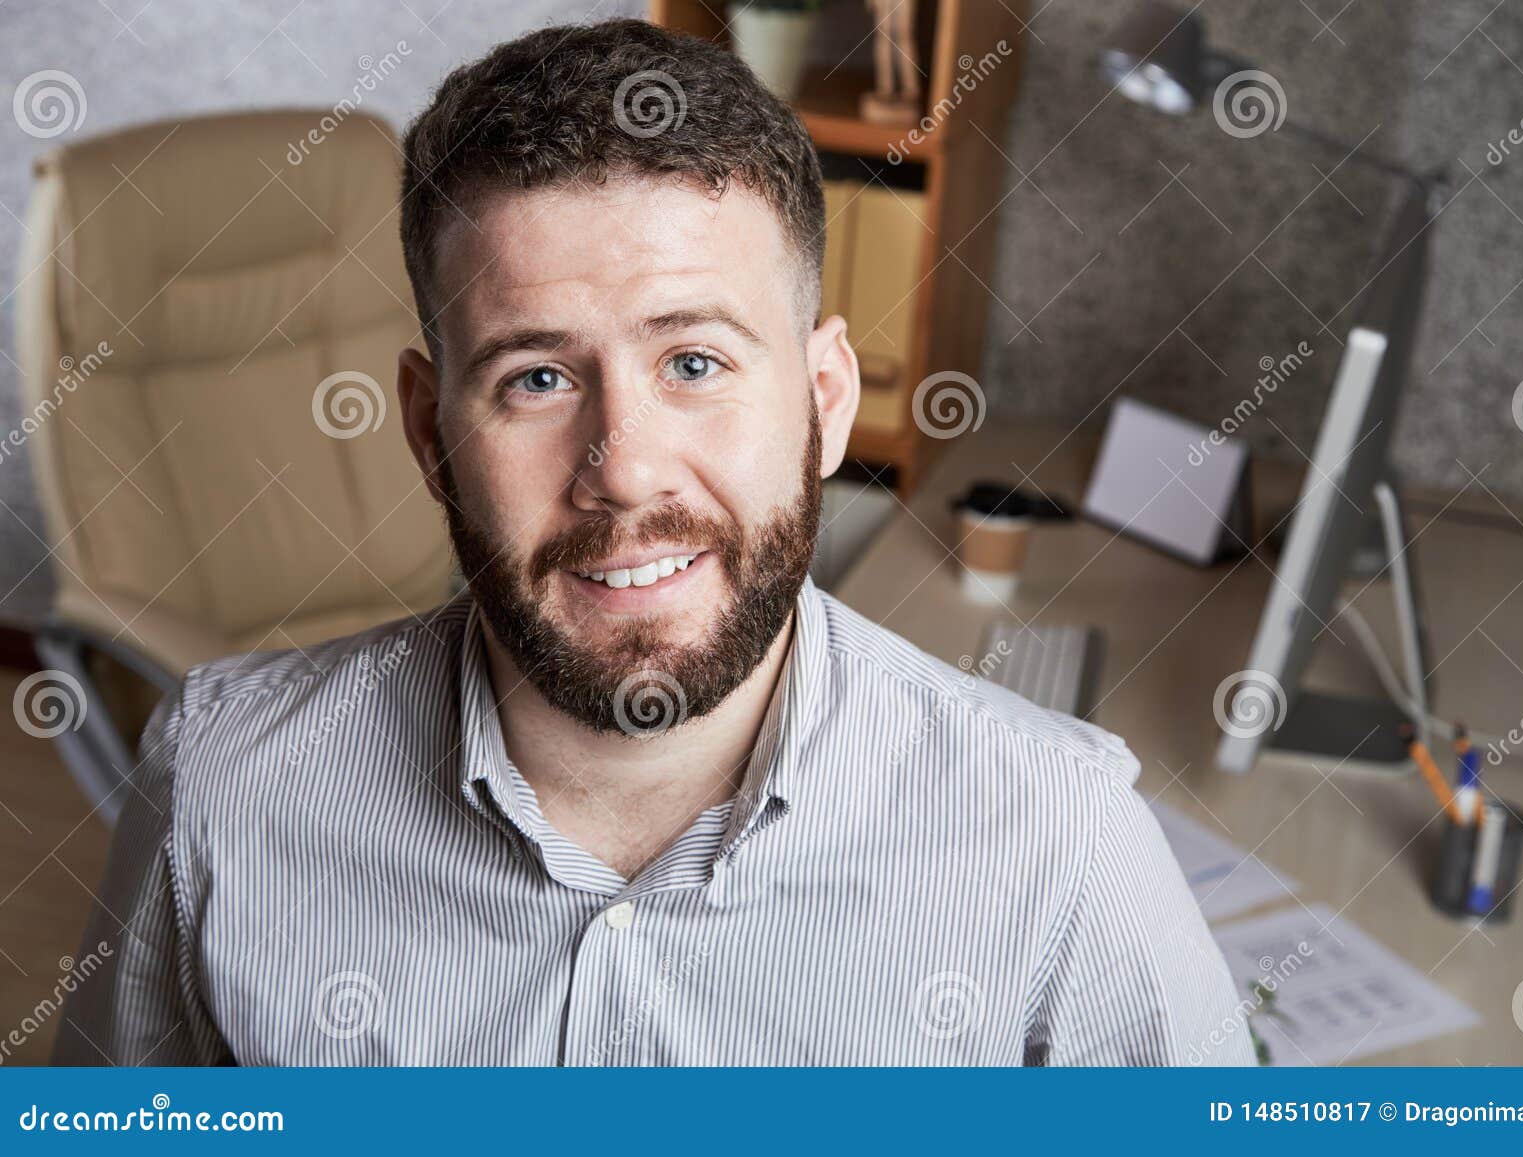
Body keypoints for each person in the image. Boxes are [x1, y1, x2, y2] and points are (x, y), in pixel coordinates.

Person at [55, 18, 1252, 1067]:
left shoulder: (1062, 844)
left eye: (694, 361)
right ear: (430, 431)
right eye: (534, 377)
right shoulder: (222, 786)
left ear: (825, 399)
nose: (621, 466)